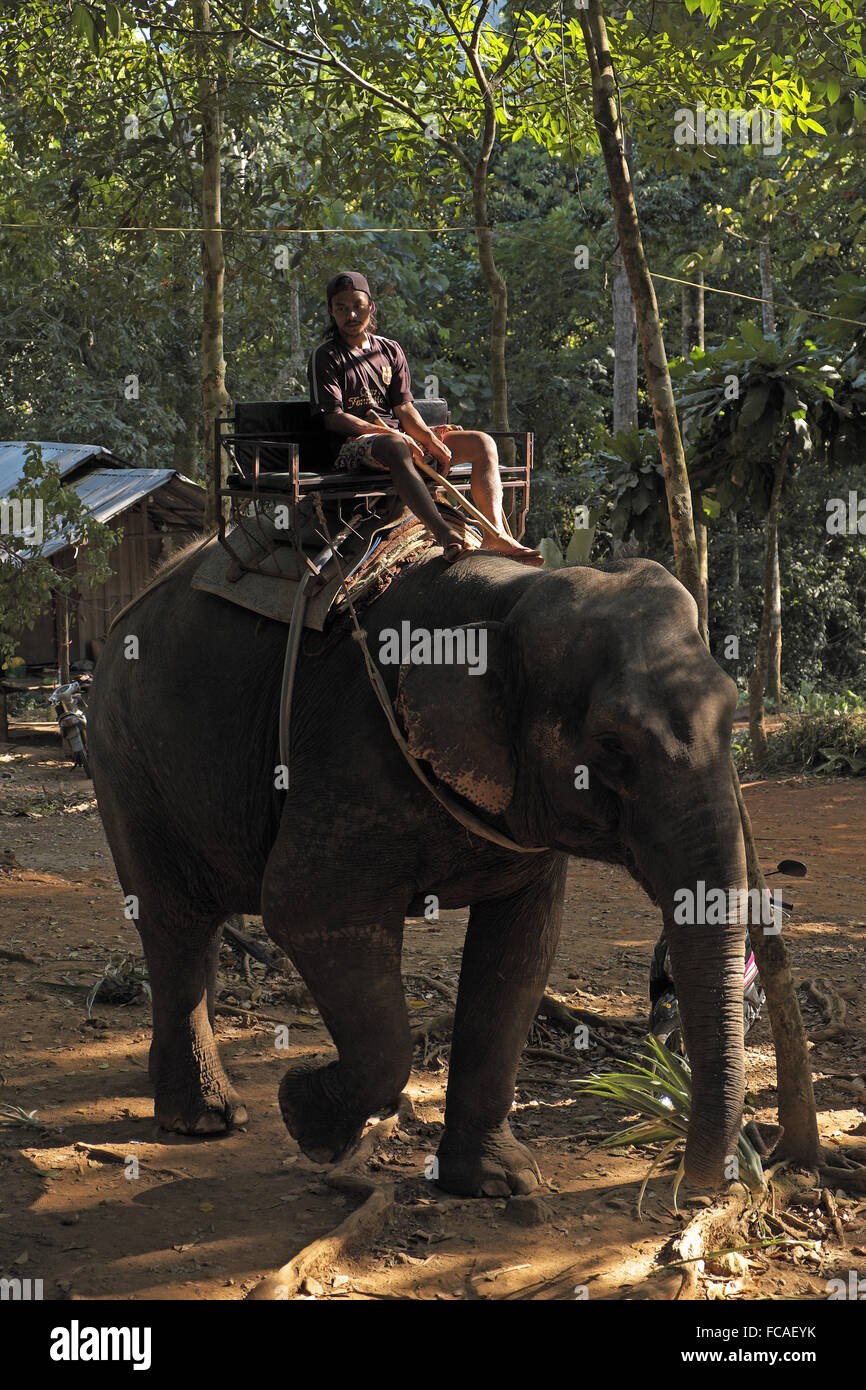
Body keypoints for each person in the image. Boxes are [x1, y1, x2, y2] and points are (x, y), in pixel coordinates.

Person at [307, 270, 542, 566]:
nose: (351, 314)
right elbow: (334, 419)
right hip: (356, 445)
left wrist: (428, 438)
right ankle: (445, 534)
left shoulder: (390, 349)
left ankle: (493, 532)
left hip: (399, 437)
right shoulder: (326, 356)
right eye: (341, 308)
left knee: (482, 442)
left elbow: (404, 408)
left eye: (357, 305)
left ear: (371, 307)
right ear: (331, 311)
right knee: (396, 446)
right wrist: (397, 437)